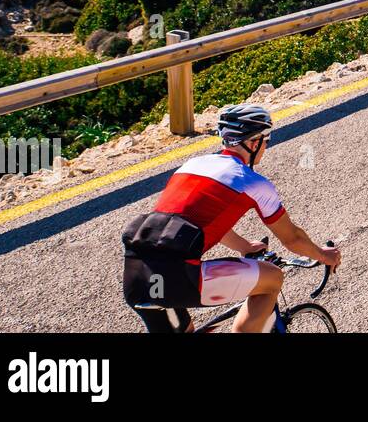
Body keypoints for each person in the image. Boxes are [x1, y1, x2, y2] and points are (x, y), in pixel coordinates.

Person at [121, 104, 340, 333]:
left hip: (137, 274)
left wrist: (245, 246)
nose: (266, 145)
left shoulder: (192, 165)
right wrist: (324, 255)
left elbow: (198, 219)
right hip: (179, 275)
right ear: (253, 142)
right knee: (272, 278)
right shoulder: (251, 181)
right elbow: (292, 238)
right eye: (266, 139)